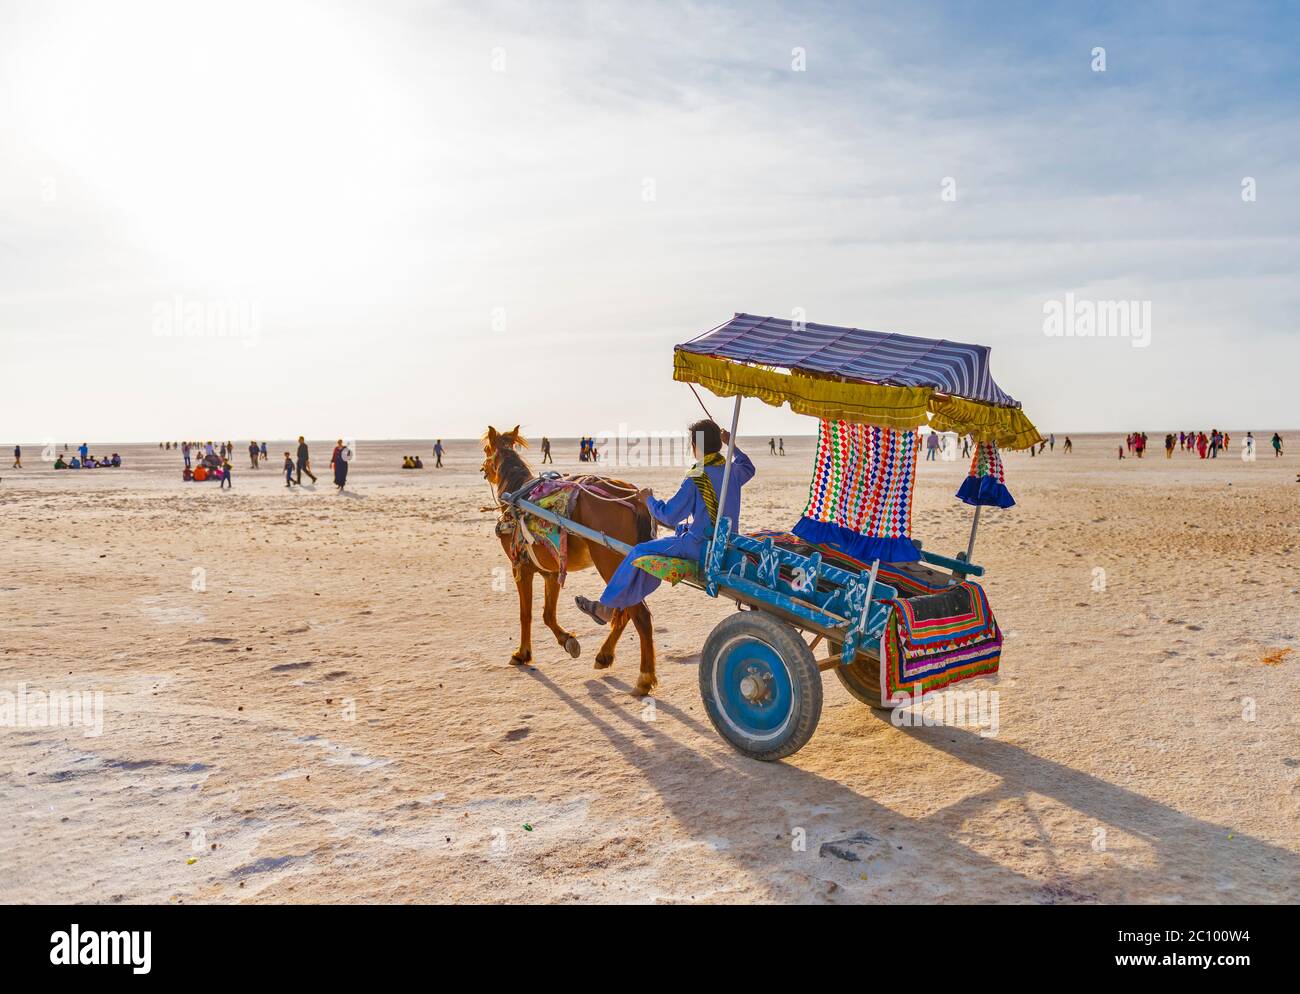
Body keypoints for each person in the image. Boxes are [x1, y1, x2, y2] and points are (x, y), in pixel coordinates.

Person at [575, 419, 754, 624]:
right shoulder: (733, 470)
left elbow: (669, 515)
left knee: (640, 551)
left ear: (697, 445)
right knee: (677, 533)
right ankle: (620, 602)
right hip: (728, 544)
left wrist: (648, 499)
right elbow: (749, 467)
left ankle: (607, 607)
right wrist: (733, 445)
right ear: (720, 444)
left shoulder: (697, 476)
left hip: (701, 547)